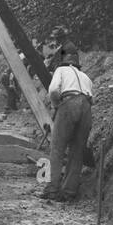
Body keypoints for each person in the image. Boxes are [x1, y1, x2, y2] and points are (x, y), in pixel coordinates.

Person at [41, 42, 93, 203]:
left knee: (57, 148)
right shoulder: (85, 76)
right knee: (76, 151)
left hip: (68, 103)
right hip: (86, 107)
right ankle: (69, 192)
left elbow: (54, 90)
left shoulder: (61, 70)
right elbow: (93, 98)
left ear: (61, 58)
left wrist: (58, 105)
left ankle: (52, 189)